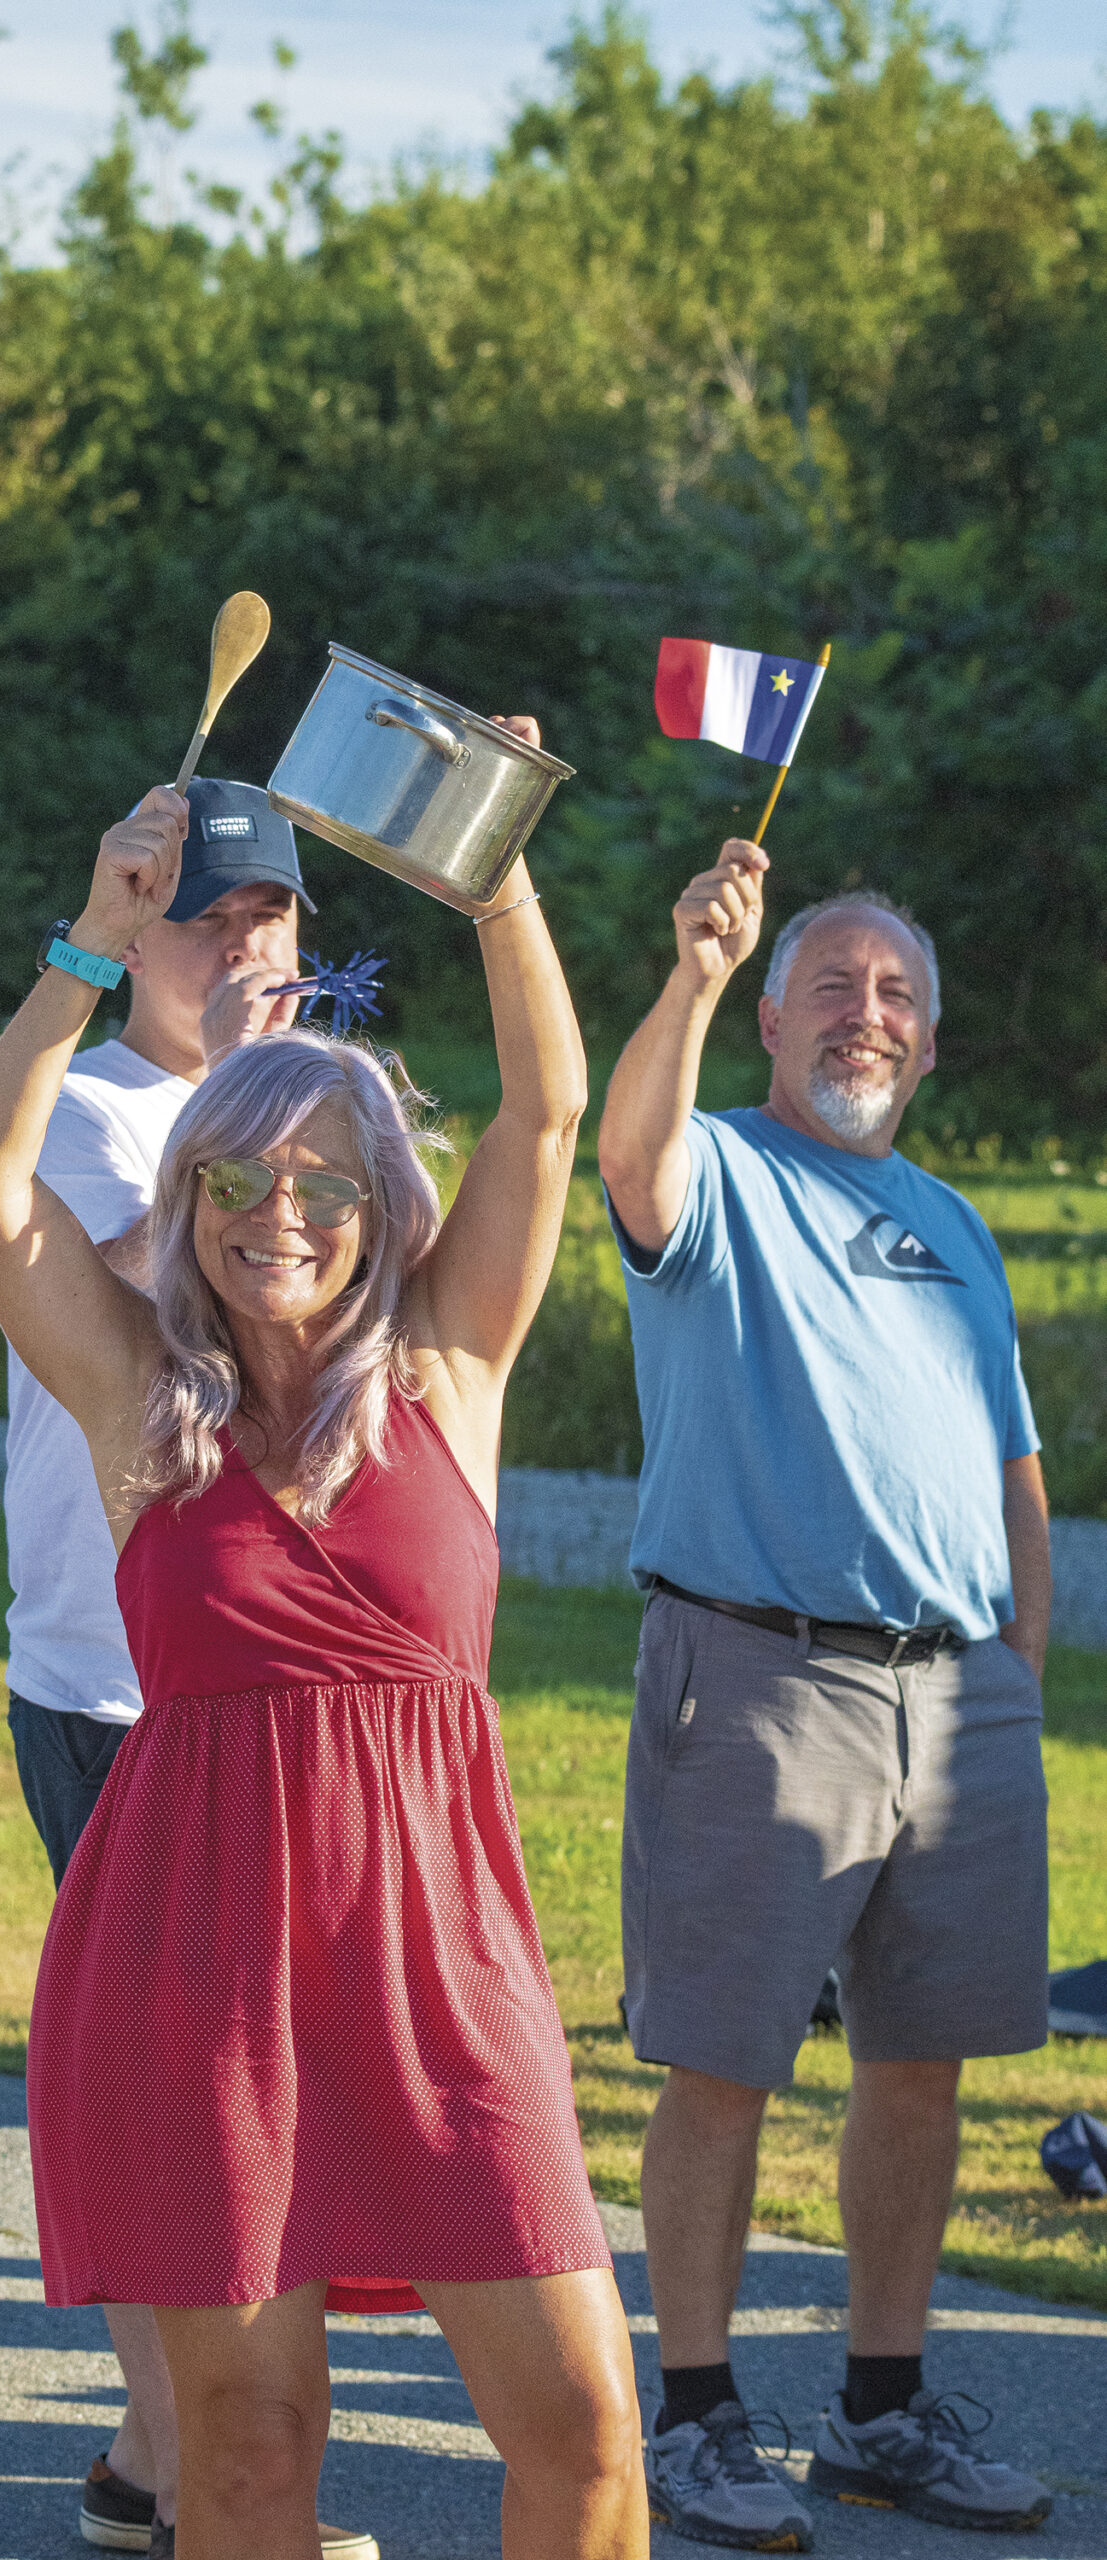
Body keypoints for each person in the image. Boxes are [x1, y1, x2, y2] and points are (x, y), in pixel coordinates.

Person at [0, 759, 646, 2560]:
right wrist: (92, 939)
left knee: (583, 2436)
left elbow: (548, 1115)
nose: (281, 1210)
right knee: (248, 2454)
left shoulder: (450, 1368)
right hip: (198, 1958)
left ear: (386, 1204)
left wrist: (495, 881)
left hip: (441, 1952)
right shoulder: (141, 1404)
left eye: (328, 1179)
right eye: (239, 1176)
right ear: (189, 1197)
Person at [596, 846, 1053, 2549]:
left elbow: (1011, 1465)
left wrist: (1016, 1666)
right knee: (724, 2067)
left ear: (930, 1042)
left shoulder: (954, 1226)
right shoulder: (720, 1165)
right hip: (763, 1677)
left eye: (900, 994)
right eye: (838, 987)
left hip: (962, 1703)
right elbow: (628, 1160)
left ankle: (880, 2412)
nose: (871, 1013)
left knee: (922, 2067)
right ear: (776, 1020)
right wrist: (693, 971)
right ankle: (698, 2419)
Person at [8, 777, 387, 2558]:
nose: (243, 947)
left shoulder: (327, 1111)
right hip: (120, 1689)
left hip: (293, 1702)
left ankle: (149, 2461)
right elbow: (183, 1275)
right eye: (204, 918)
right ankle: (185, 2483)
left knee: (268, 2100)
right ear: (138, 937)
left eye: (270, 919)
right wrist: (300, 1163)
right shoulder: (99, 1112)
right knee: (190, 2108)